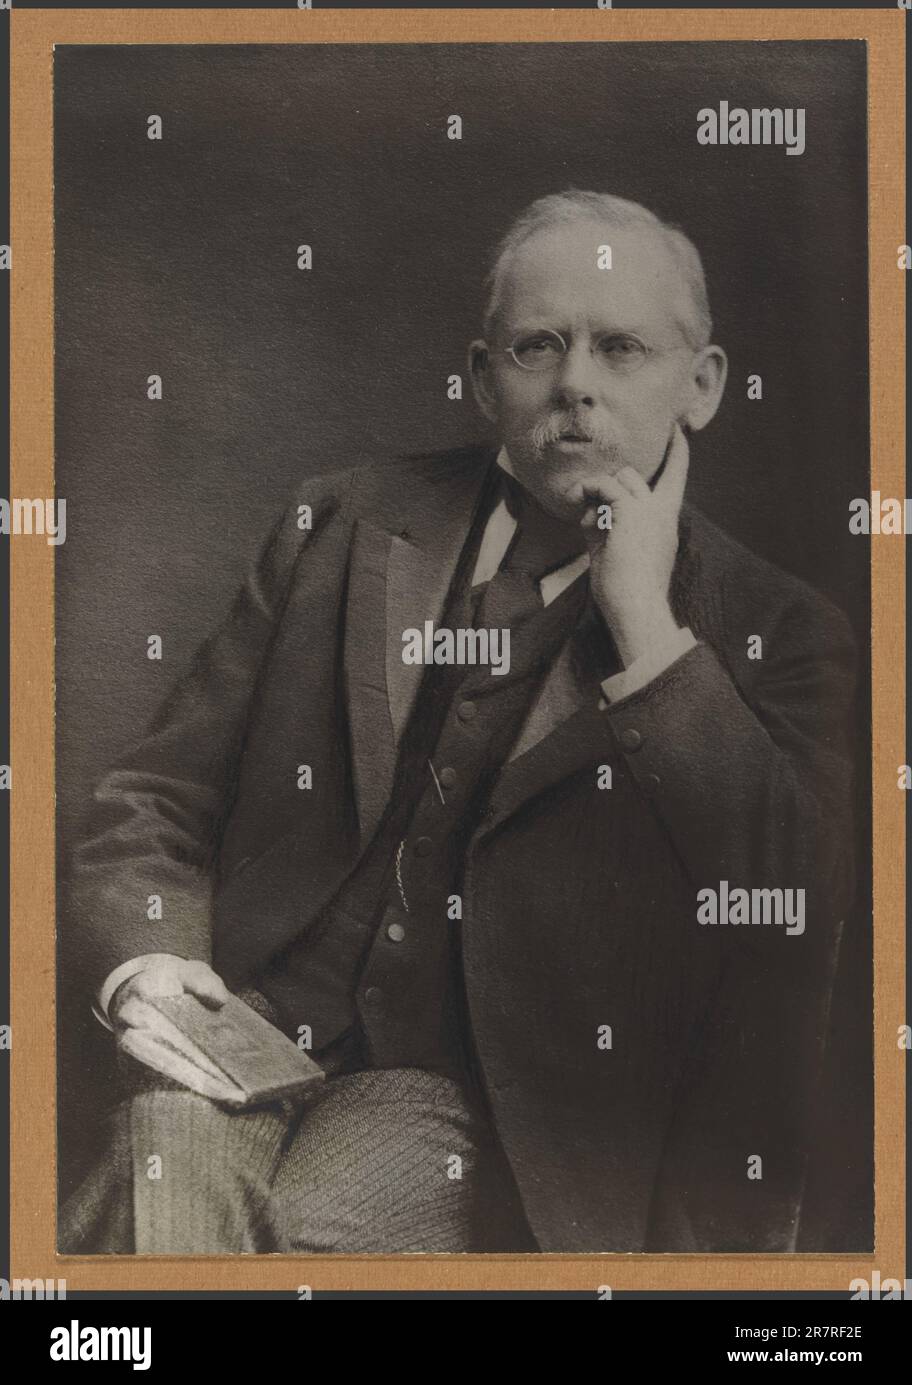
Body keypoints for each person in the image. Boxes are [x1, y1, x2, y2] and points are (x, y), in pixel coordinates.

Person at [60, 189, 857, 1255]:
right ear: (486, 377)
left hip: (458, 1106)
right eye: (539, 346)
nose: (575, 383)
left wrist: (649, 635)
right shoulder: (340, 523)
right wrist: (151, 966)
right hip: (239, 1022)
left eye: (621, 349)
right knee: (162, 1150)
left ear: (701, 386)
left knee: (288, 1238)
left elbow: (788, 901)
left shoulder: (773, 629)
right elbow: (156, 798)